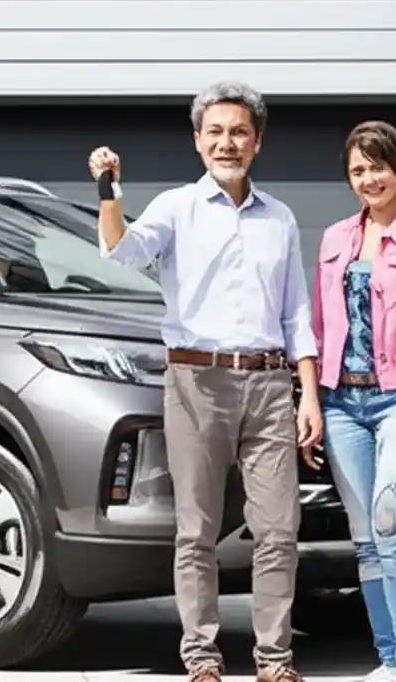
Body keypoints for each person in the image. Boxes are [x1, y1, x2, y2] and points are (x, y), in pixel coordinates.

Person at [87, 80, 322, 682]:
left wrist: (309, 393)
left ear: (257, 141)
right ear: (197, 141)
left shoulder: (281, 218)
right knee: (197, 528)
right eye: (215, 132)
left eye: (239, 132)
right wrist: (108, 188)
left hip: (270, 386)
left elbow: (296, 312)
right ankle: (202, 656)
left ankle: (274, 659)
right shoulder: (174, 208)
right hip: (196, 383)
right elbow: (119, 250)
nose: (227, 142)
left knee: (279, 529)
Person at [305, 121, 396, 682]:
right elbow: (318, 324)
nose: (369, 179)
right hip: (341, 403)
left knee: (393, 524)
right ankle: (387, 661)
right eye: (358, 170)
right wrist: (313, 401)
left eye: (378, 167)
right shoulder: (336, 238)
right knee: (365, 540)